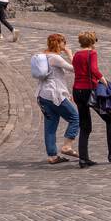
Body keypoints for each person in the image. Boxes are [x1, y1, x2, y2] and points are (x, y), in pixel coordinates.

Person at [72, 31, 111, 168]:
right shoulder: (91, 53)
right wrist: (103, 80)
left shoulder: (76, 54)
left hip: (77, 91)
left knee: (85, 126)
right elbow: (94, 69)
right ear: (92, 42)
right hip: (89, 91)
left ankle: (83, 159)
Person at [34, 34, 79, 164]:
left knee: (50, 125)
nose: (65, 45)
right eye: (64, 43)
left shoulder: (43, 55)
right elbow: (75, 69)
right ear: (59, 43)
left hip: (42, 95)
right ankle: (67, 146)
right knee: (75, 117)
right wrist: (71, 54)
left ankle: (52, 156)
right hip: (55, 95)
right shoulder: (55, 58)